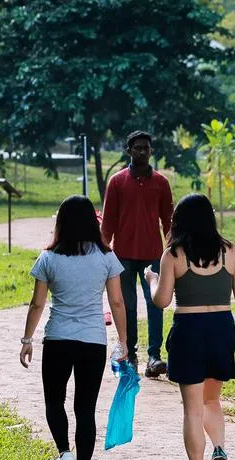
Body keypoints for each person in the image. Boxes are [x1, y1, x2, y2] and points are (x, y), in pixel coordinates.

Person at [148, 193, 235, 460]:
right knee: (212, 401)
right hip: (222, 329)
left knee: (192, 410)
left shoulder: (173, 255)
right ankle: (219, 448)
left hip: (190, 330)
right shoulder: (230, 251)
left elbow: (162, 300)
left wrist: (152, 280)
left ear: (178, 221)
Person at [20, 195, 128, 460]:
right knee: (85, 409)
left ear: (61, 223)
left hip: (58, 339)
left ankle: (64, 452)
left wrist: (27, 340)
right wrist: (123, 341)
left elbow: (37, 304)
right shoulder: (106, 257)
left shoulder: (48, 258)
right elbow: (117, 302)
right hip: (93, 342)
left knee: (54, 401)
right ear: (94, 222)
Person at [100, 130, 174, 379]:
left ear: (151, 151)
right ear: (128, 150)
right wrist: (101, 251)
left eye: (146, 148)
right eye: (138, 148)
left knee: (156, 303)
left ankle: (154, 356)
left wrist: (173, 249)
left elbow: (169, 221)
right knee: (126, 305)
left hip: (153, 253)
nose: (142, 151)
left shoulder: (161, 183)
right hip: (122, 255)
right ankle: (130, 354)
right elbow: (108, 221)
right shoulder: (117, 182)